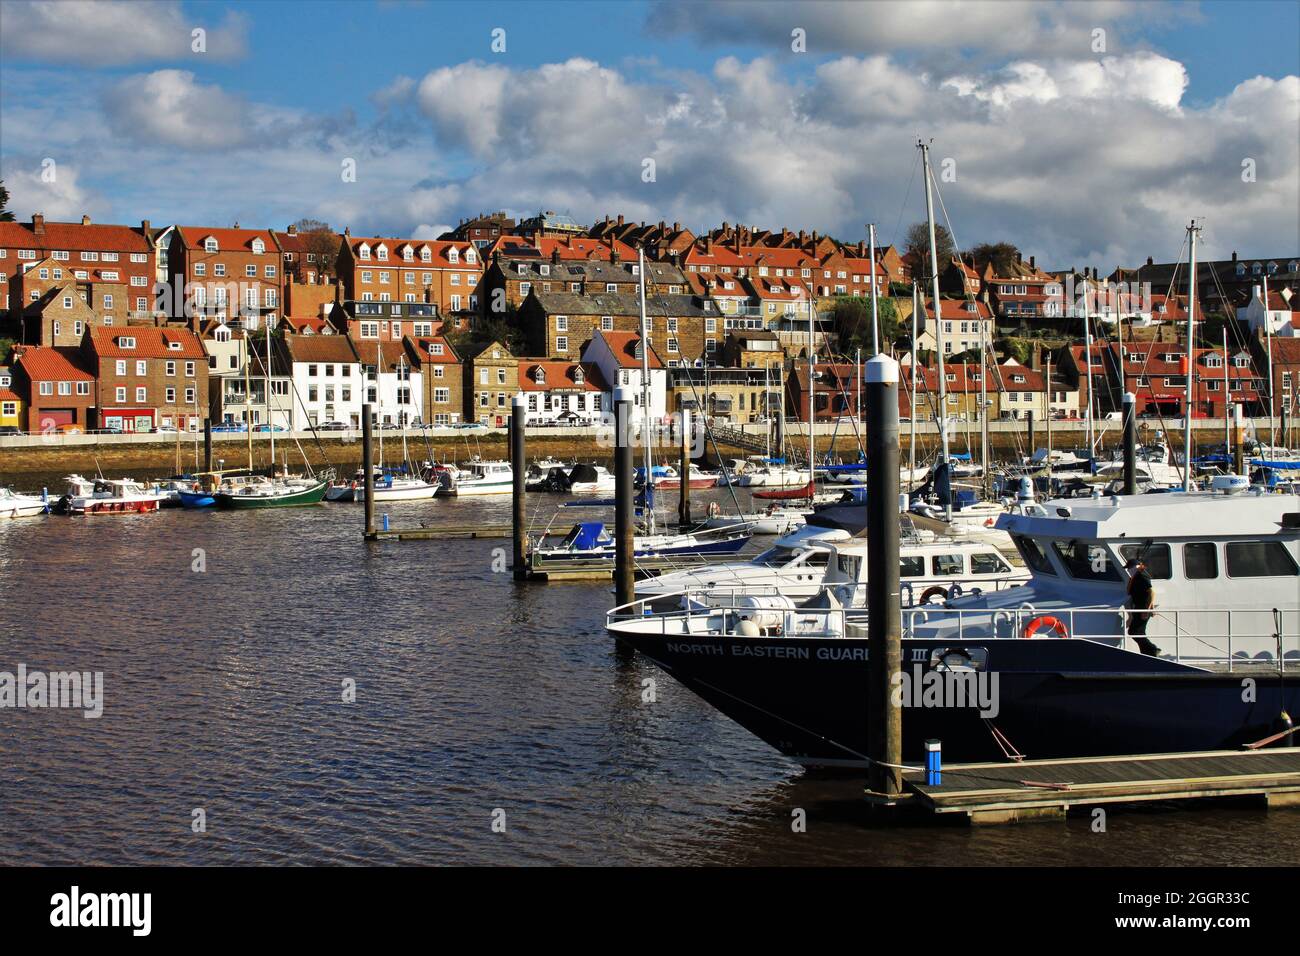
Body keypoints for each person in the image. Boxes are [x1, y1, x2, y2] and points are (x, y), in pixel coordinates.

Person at [1125, 558, 1159, 656]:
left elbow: (1151, 592)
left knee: (1134, 631)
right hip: (1139, 608)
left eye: (1129, 568)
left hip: (1143, 608)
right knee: (1139, 632)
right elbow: (1131, 592)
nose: (1128, 570)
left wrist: (1147, 609)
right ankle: (1146, 653)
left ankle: (1152, 649)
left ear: (1136, 567)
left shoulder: (1141, 575)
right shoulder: (1135, 577)